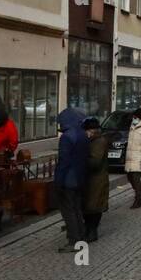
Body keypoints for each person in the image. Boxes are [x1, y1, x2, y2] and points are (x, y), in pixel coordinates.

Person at [54, 108, 89, 252]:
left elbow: (64, 161)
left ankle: (74, 240)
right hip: (80, 177)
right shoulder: (82, 135)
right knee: (76, 208)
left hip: (69, 178)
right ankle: (81, 235)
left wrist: (58, 181)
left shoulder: (67, 137)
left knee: (69, 210)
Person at [83, 118, 110, 242]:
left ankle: (92, 232)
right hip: (92, 179)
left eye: (87, 131)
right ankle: (88, 230)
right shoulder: (93, 140)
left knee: (94, 206)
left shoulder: (99, 141)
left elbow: (95, 162)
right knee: (90, 206)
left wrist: (81, 159)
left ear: (92, 130)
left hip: (97, 179)